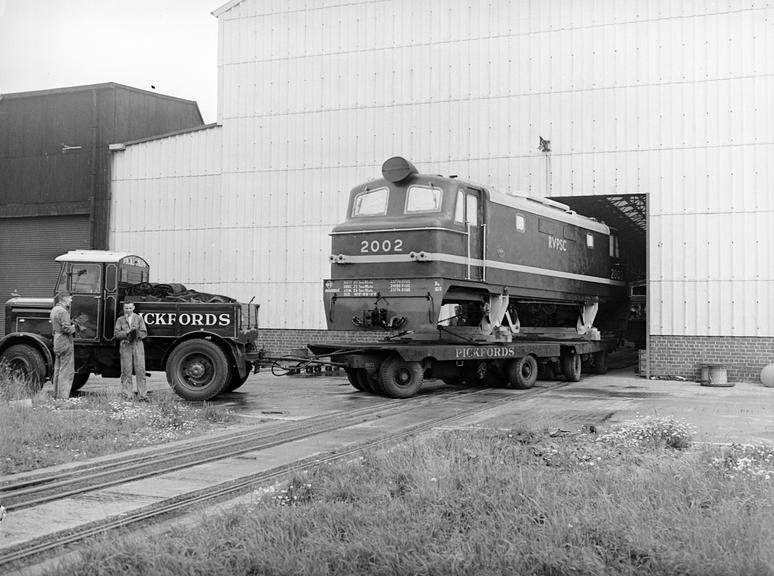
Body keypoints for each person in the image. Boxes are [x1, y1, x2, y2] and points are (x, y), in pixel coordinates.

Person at [114, 302, 148, 401]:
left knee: (140, 370)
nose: (128, 310)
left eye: (130, 308)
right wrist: (127, 333)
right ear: (123, 309)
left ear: (133, 308)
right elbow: (116, 334)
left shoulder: (139, 318)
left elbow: (144, 332)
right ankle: (127, 395)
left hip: (137, 345)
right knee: (126, 371)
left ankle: (142, 395)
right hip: (125, 345)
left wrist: (136, 333)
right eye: (126, 308)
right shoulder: (120, 320)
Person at [49, 290, 77, 399]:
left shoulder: (54, 310)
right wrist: (75, 327)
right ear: (64, 298)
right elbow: (66, 329)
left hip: (57, 339)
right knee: (66, 371)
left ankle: (56, 395)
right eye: (70, 298)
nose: (71, 300)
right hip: (65, 340)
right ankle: (63, 397)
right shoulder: (63, 312)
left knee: (57, 369)